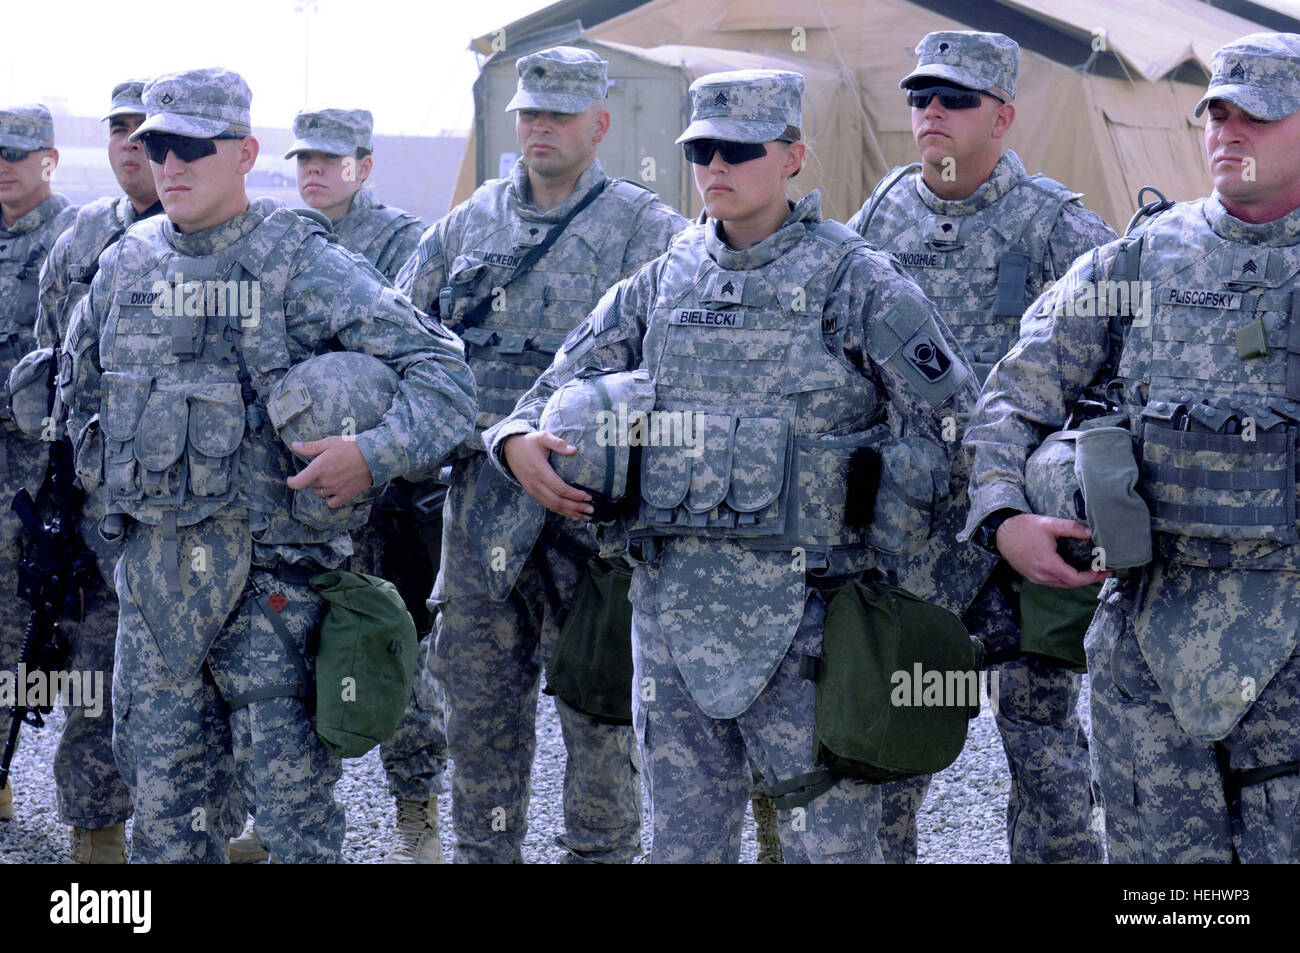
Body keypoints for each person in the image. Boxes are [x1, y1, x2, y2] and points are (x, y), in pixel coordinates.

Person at [490, 68, 978, 863]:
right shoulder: (664, 280)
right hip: (671, 616)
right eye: (701, 149)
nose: (715, 166)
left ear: (791, 156)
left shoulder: (854, 281)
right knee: (683, 847)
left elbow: (958, 426)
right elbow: (549, 389)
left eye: (738, 149)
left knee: (838, 847)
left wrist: (917, 587)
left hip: (814, 622)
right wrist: (514, 444)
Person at [59, 66, 476, 863]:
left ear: (246, 153)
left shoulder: (299, 263)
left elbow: (442, 371)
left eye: (192, 146)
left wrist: (372, 453)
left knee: (294, 835)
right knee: (166, 831)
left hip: (274, 597)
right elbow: (79, 399)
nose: (169, 164)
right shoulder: (126, 266)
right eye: (155, 145)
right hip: (156, 601)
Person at [961, 31, 1300, 863]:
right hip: (1148, 651)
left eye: (1257, 116)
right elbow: (1012, 396)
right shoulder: (1141, 259)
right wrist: (1005, 515)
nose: (1229, 132)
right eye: (1216, 113)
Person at [396, 45, 685, 863]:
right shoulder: (465, 228)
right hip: (482, 522)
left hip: (592, 533)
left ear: (600, 123)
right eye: (530, 112)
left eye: (561, 113)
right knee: (481, 725)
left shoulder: (648, 232)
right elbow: (406, 349)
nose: (542, 127)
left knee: (600, 725)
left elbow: (680, 372)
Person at [847, 31, 1114, 864]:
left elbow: (1119, 363)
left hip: (1024, 536)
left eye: (954, 99)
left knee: (1045, 744)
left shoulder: (1060, 228)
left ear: (1002, 116)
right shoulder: (882, 215)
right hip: (910, 536)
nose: (932, 112)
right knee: (888, 737)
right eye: (920, 97)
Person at [225, 106, 441, 864]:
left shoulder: (404, 243)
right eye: (304, 158)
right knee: (280, 662)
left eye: (331, 159)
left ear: (365, 165)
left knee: (386, 643)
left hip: (381, 495)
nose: (313, 171)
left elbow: (426, 359)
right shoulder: (264, 243)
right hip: (293, 500)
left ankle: (416, 802)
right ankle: (273, 812)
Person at [26, 79, 163, 864]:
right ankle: (98, 830)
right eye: (118, 128)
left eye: (149, 129)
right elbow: (55, 365)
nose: (132, 143)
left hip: (192, 504)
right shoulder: (80, 238)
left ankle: (206, 826)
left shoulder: (230, 241)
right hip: (94, 505)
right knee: (91, 666)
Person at [0, 103, 76, 826]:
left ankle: (90, 807)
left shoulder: (73, 240)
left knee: (26, 627)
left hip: (36, 477)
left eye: (16, 154)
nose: (3, 167)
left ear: (48, 159)